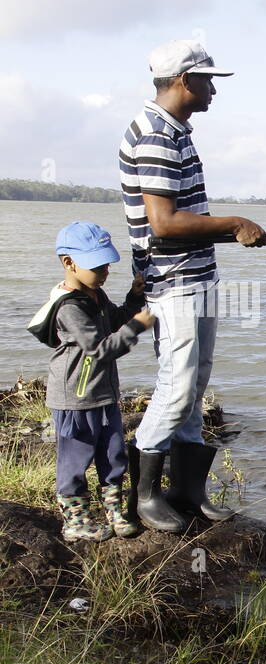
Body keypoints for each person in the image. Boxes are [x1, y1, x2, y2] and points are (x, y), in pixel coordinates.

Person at [118, 39, 266, 533]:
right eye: (208, 80)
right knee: (177, 384)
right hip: (176, 282)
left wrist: (226, 230)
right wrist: (233, 224)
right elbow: (163, 222)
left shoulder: (175, 130)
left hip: (197, 276)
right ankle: (144, 496)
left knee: (195, 381)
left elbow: (176, 217)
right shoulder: (156, 135)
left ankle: (186, 490)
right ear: (183, 79)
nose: (213, 91)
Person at [27, 222, 155, 541]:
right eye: (96, 266)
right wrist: (137, 326)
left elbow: (114, 319)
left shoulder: (95, 295)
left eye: (107, 264)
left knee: (113, 454)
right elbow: (99, 350)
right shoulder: (69, 307)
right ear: (69, 262)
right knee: (75, 459)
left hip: (102, 395)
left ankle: (114, 511)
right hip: (75, 397)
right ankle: (75, 521)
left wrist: (134, 299)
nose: (104, 272)